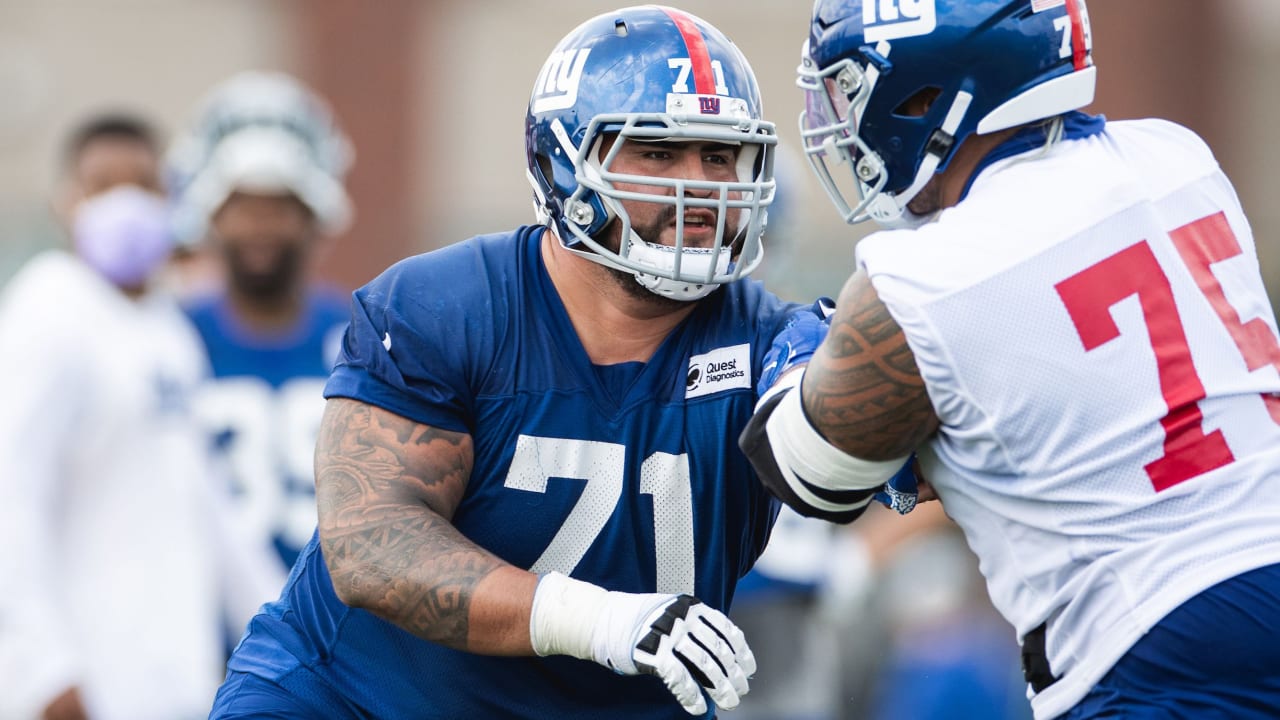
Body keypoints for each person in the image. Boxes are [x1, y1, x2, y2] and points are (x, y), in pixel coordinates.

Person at [209, 6, 828, 718]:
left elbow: (904, 447)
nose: (700, 187)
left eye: (719, 156)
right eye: (659, 154)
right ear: (564, 163)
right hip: (358, 699)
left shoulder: (772, 343)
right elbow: (372, 545)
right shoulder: (445, 306)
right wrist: (598, 620)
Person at [740, 1, 1280, 719]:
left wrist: (799, 352)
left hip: (1158, 647)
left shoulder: (921, 277)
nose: (843, 120)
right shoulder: (1177, 158)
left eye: (855, 88)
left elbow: (808, 473)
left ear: (930, 92)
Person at [0, 114, 280, 720]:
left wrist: (285, 635)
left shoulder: (163, 326)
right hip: (81, 690)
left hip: (172, 681)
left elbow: (205, 500)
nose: (124, 200)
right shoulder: (48, 313)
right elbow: (10, 502)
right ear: (65, 202)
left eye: (144, 183)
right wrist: (46, 672)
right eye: (102, 184)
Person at [166, 71, 354, 574]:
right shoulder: (166, 337)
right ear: (209, 214)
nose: (260, 226)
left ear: (313, 214)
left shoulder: (363, 335)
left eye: (280, 207)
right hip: (197, 630)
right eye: (242, 205)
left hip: (328, 630)